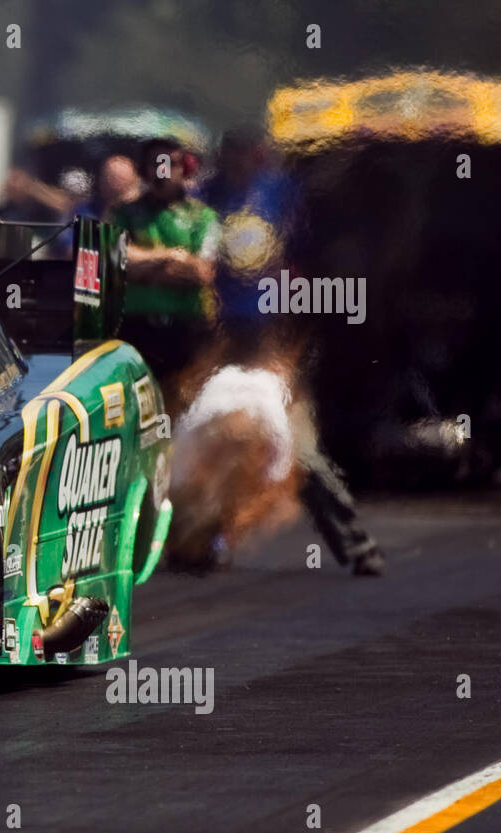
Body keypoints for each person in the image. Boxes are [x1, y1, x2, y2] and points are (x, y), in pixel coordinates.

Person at [203, 127, 385, 577]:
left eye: (246, 156)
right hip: (218, 337)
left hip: (273, 336)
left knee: (294, 445)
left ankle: (354, 542)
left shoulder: (283, 194)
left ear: (259, 157)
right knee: (211, 438)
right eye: (231, 157)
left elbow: (313, 255)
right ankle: (212, 538)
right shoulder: (208, 196)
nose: (239, 166)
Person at [111, 137, 221, 390]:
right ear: (144, 169)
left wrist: (141, 270)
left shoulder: (202, 217)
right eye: (155, 163)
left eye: (170, 164)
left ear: (186, 169)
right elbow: (116, 260)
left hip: (185, 327)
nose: (163, 171)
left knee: (183, 402)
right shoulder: (124, 214)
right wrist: (171, 257)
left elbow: (201, 272)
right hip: (135, 326)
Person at [77, 154, 142, 221]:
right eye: (107, 177)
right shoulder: (85, 209)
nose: (112, 184)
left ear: (133, 182)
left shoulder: (142, 212)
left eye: (120, 179)